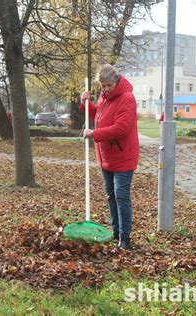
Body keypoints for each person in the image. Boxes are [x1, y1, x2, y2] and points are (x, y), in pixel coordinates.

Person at [80, 64, 139, 250]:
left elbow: (122, 128)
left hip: (122, 156)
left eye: (108, 85)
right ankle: (115, 231)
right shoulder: (105, 98)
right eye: (102, 86)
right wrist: (86, 104)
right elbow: (100, 115)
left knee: (121, 197)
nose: (105, 89)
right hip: (106, 157)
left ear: (116, 81)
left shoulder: (127, 98)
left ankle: (125, 237)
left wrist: (94, 134)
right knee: (111, 196)